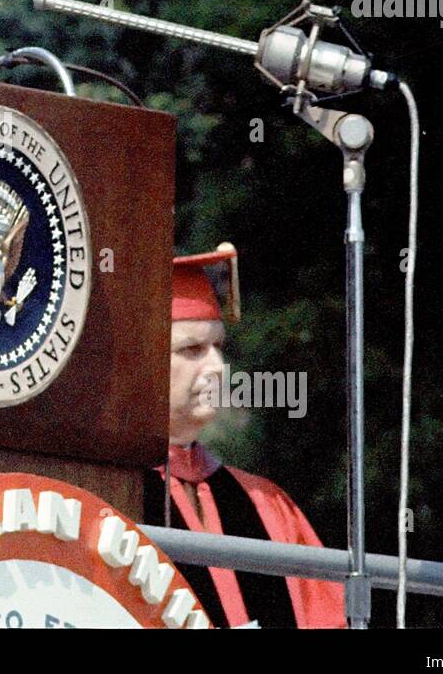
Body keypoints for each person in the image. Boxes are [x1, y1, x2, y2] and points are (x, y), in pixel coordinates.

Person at [144, 243, 347, 629]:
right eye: (192, 349)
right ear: (144, 359)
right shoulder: (112, 497)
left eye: (219, 346)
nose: (217, 367)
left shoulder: (268, 504)